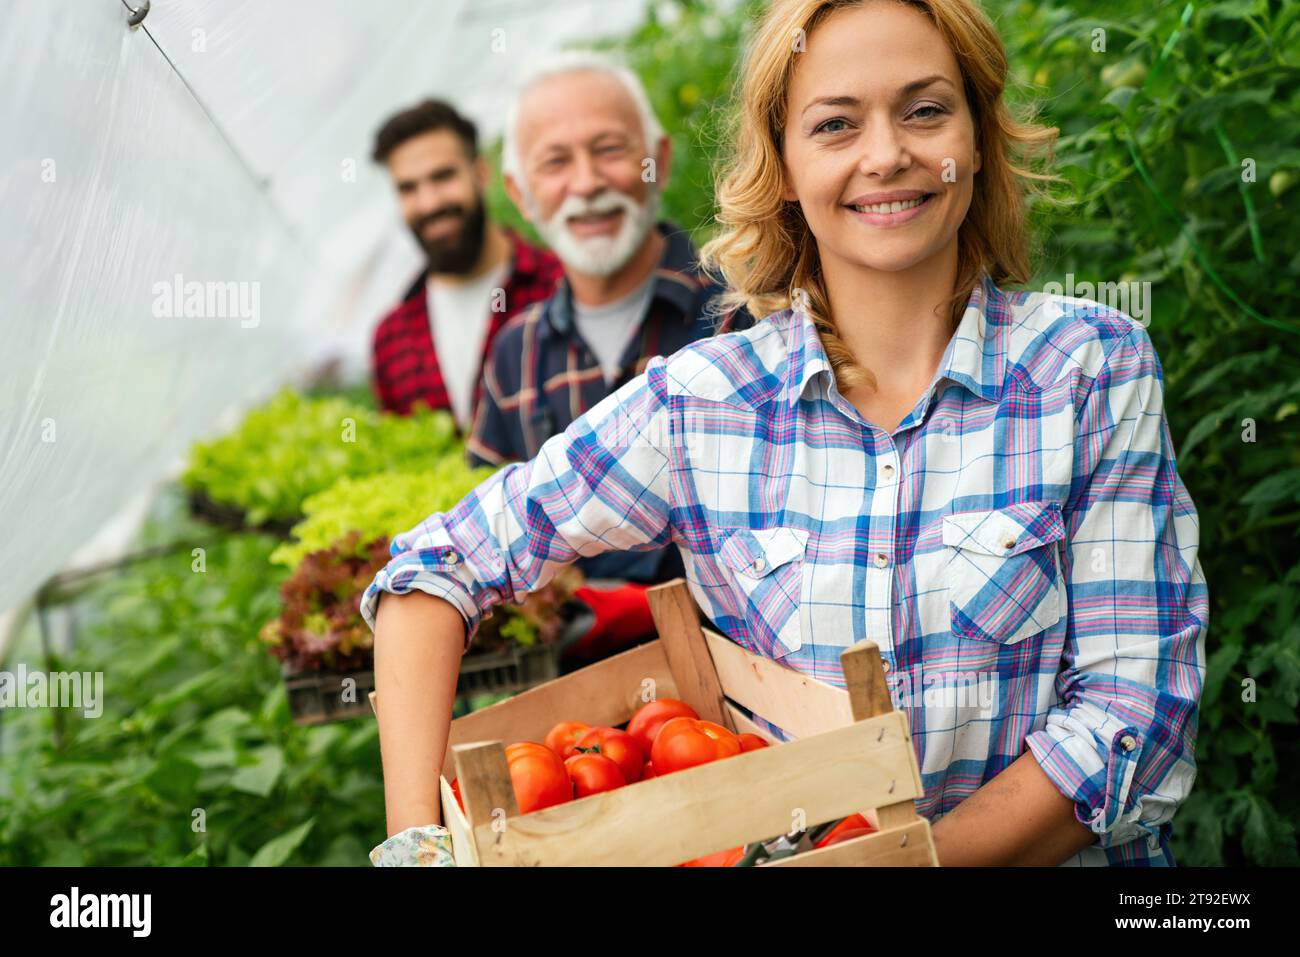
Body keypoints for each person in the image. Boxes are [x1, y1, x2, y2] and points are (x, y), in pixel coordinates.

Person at [363, 0, 1207, 868]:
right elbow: (431, 572)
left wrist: (908, 861)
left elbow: (1129, 709)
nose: (886, 154)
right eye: (835, 124)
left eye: (925, 109)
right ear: (786, 167)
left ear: (979, 136)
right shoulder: (705, 402)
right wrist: (414, 846)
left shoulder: (1089, 370)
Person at [466, 50, 751, 590]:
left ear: (659, 161)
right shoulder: (515, 355)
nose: (587, 182)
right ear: (519, 194)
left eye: (609, 150)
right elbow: (489, 540)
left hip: (744, 668)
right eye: (555, 163)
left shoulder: (743, 310)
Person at [369, 99, 563, 427]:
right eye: (408, 188)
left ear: (482, 173)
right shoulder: (392, 339)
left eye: (443, 177)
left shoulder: (559, 285)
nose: (429, 202)